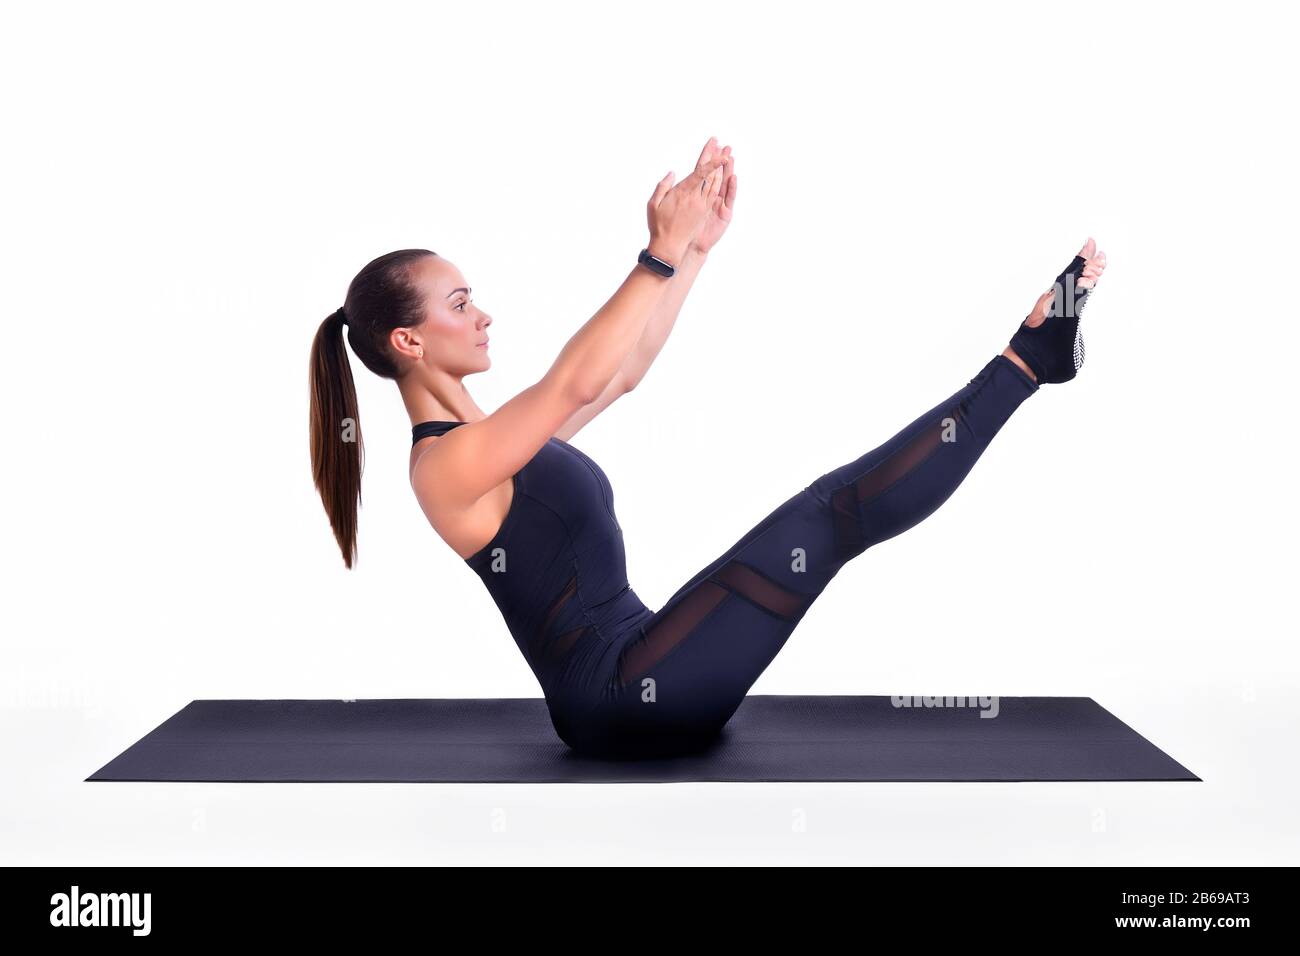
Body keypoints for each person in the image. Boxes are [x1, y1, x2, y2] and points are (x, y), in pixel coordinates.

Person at [308, 136, 1108, 759]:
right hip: (622, 697)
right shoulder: (446, 467)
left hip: (640, 662)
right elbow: (571, 386)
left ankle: (1032, 356)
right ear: (408, 339)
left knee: (827, 512)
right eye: (459, 302)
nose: (482, 315)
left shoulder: (489, 447)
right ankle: (1031, 359)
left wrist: (693, 254)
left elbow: (617, 376)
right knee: (830, 515)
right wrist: (655, 253)